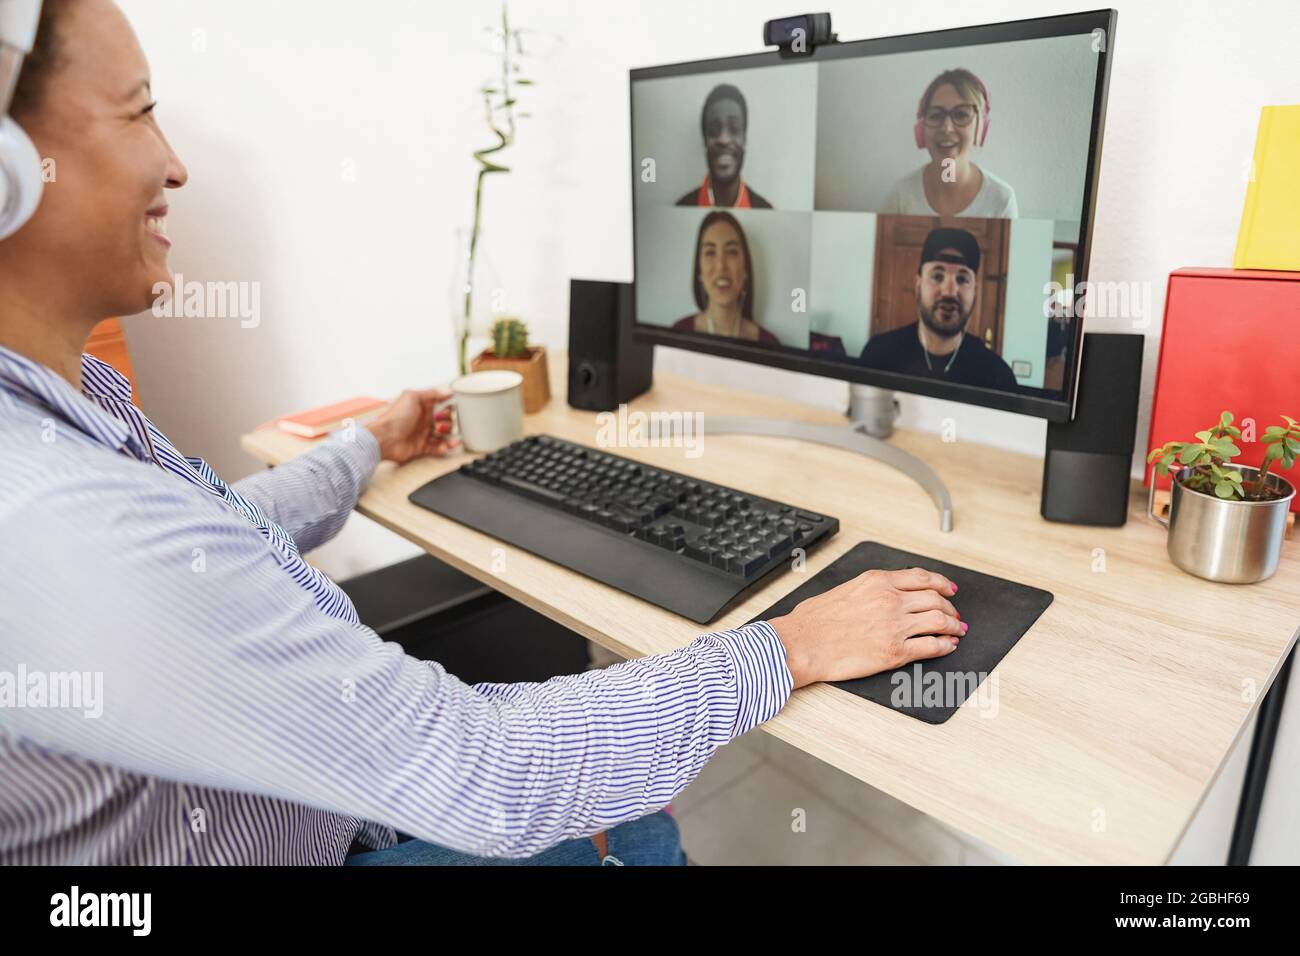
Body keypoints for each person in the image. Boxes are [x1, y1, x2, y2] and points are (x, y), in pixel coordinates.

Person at [0, 0, 964, 866]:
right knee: (641, 829)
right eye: (137, 111)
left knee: (625, 809)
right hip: (332, 828)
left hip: (326, 799)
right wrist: (788, 646)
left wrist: (364, 447)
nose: (173, 161)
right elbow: (484, 773)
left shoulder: (62, 405)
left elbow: (204, 550)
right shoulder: (56, 519)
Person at [859, 227, 1018, 390]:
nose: (949, 291)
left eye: (962, 279)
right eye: (937, 276)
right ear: (918, 284)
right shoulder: (878, 356)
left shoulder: (997, 376)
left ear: (975, 290)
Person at [882, 68, 1018, 219]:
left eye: (961, 115)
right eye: (936, 115)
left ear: (980, 127)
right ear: (921, 129)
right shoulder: (901, 196)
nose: (946, 128)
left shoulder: (1001, 201)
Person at [671, 211, 780, 346]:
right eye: (710, 252)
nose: (721, 265)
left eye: (731, 252)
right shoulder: (678, 333)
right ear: (699, 271)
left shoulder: (769, 343)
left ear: (745, 269)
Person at [675, 83, 772, 209]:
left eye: (734, 129)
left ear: (744, 138)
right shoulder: (682, 208)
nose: (724, 140)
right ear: (704, 140)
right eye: (714, 131)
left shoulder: (765, 211)